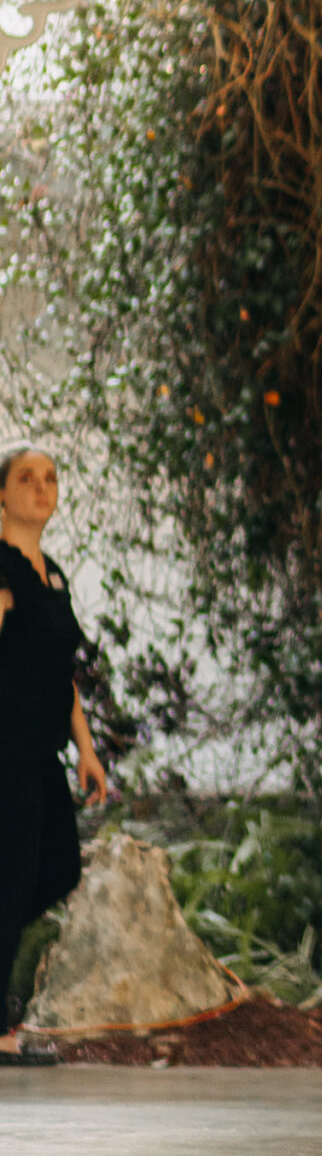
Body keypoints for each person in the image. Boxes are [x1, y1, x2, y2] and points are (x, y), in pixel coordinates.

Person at [0, 445, 108, 1066]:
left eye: (50, 478)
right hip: (4, 754)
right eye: (25, 478)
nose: (41, 488)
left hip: (42, 754)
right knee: (11, 887)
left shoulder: (52, 574)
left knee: (59, 869)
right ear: (3, 496)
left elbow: (57, 671)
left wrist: (86, 748)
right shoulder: (3, 573)